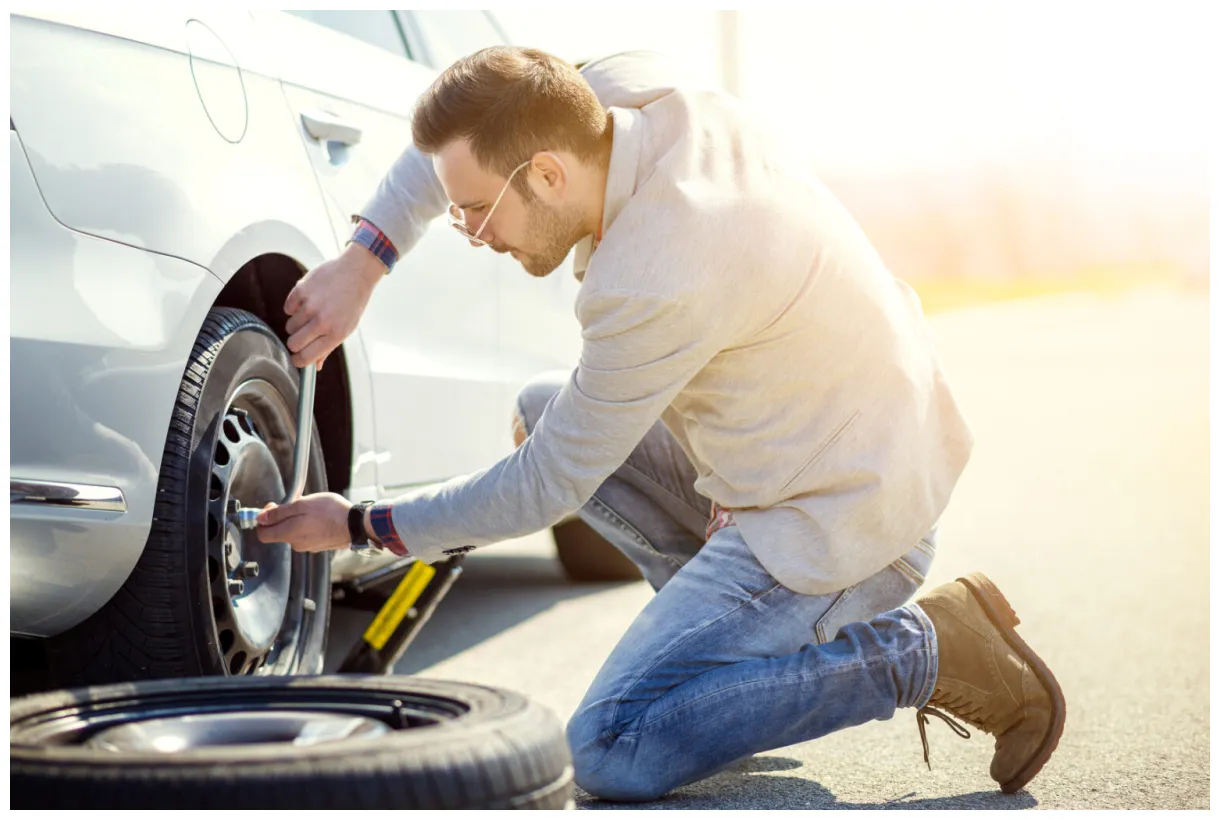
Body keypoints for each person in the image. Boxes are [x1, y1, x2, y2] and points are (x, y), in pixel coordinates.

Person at [256, 48, 1065, 801]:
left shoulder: (655, 272)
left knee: (611, 747)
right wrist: (363, 261)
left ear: (546, 173)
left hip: (846, 518)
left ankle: (923, 649)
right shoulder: (616, 101)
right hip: (846, 439)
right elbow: (456, 153)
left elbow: (547, 485)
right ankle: (722, 671)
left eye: (476, 214)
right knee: (543, 405)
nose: (471, 234)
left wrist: (363, 523)